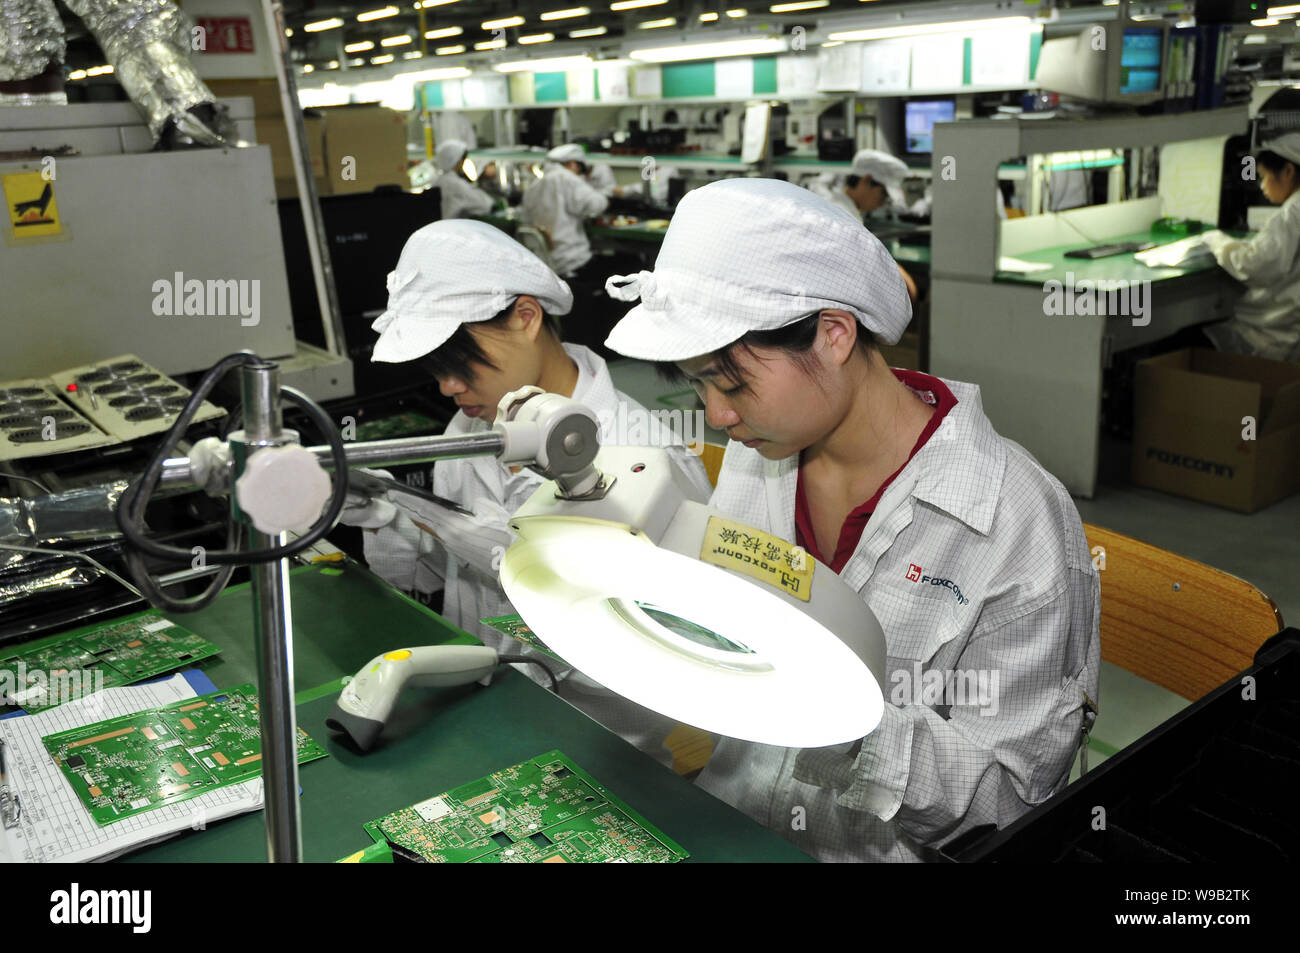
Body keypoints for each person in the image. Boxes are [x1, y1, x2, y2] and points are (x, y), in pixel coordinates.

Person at [602, 177, 1100, 862]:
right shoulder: (758, 456)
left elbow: (1010, 805)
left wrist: (848, 724)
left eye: (732, 380)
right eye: (697, 383)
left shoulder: (1014, 521)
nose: (716, 415)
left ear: (834, 334)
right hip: (733, 825)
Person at [344, 218, 712, 764]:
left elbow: (673, 661)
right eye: (436, 368)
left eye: (460, 362)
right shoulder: (467, 430)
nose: (448, 386)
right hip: (471, 719)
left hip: (600, 751)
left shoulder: (649, 461)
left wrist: (519, 565)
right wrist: (386, 517)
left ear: (525, 317)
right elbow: (422, 579)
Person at [1200, 133, 1300, 362]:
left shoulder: (1288, 217)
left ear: (1288, 172)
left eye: (1264, 177)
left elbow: (1254, 265)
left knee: (1177, 346)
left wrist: (1217, 241)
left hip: (1270, 334)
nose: (1262, 186)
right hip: (1292, 333)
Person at [807, 149, 919, 302]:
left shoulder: (842, 206)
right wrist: (902, 278)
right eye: (883, 194)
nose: (884, 202)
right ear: (866, 180)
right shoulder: (843, 216)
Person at [521, 143, 609, 279]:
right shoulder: (565, 177)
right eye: (579, 170)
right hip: (571, 262)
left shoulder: (535, 184)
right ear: (573, 164)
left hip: (544, 263)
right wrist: (605, 196)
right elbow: (596, 205)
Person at [433, 139, 494, 221]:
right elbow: (485, 206)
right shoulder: (456, 184)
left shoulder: (437, 180)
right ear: (457, 160)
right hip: (453, 229)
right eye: (462, 159)